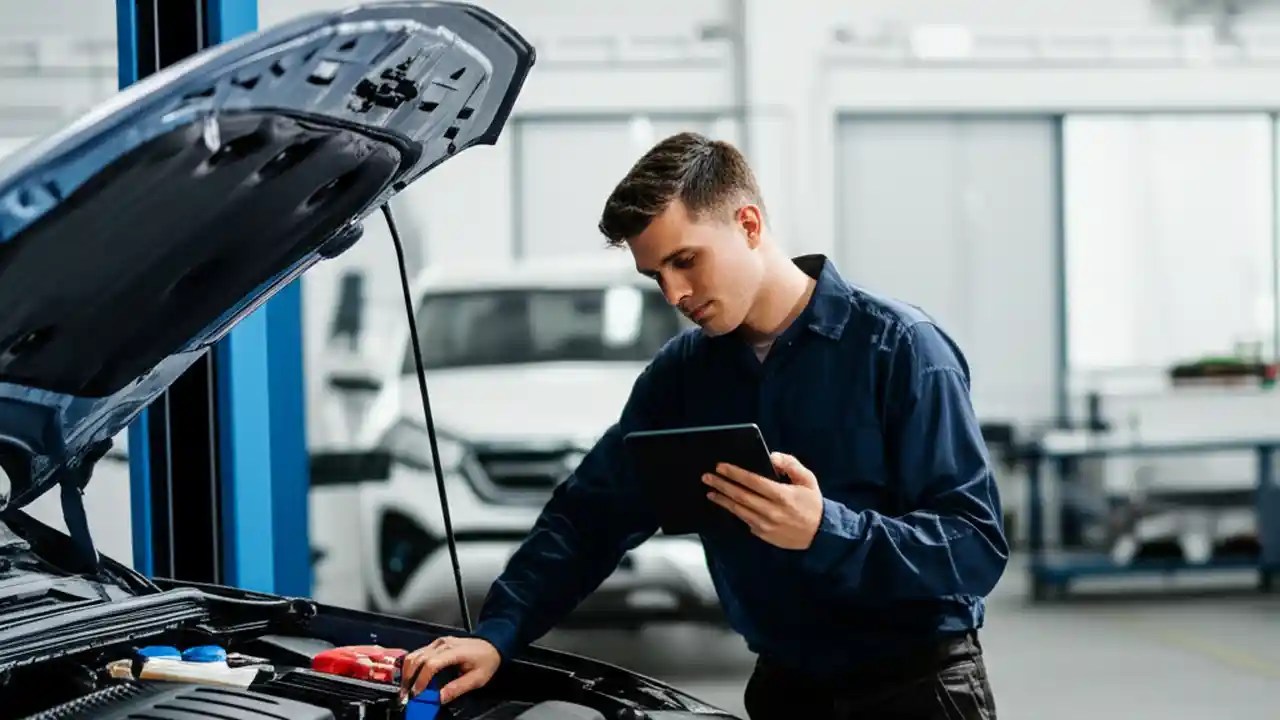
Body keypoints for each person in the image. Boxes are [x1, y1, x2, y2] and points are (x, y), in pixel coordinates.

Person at [399, 132, 1009, 719]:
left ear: (747, 225)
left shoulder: (900, 350)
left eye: (685, 260)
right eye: (656, 275)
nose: (674, 292)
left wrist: (827, 531)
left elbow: (975, 545)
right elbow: (588, 518)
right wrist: (499, 633)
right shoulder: (683, 377)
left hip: (916, 691)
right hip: (784, 692)